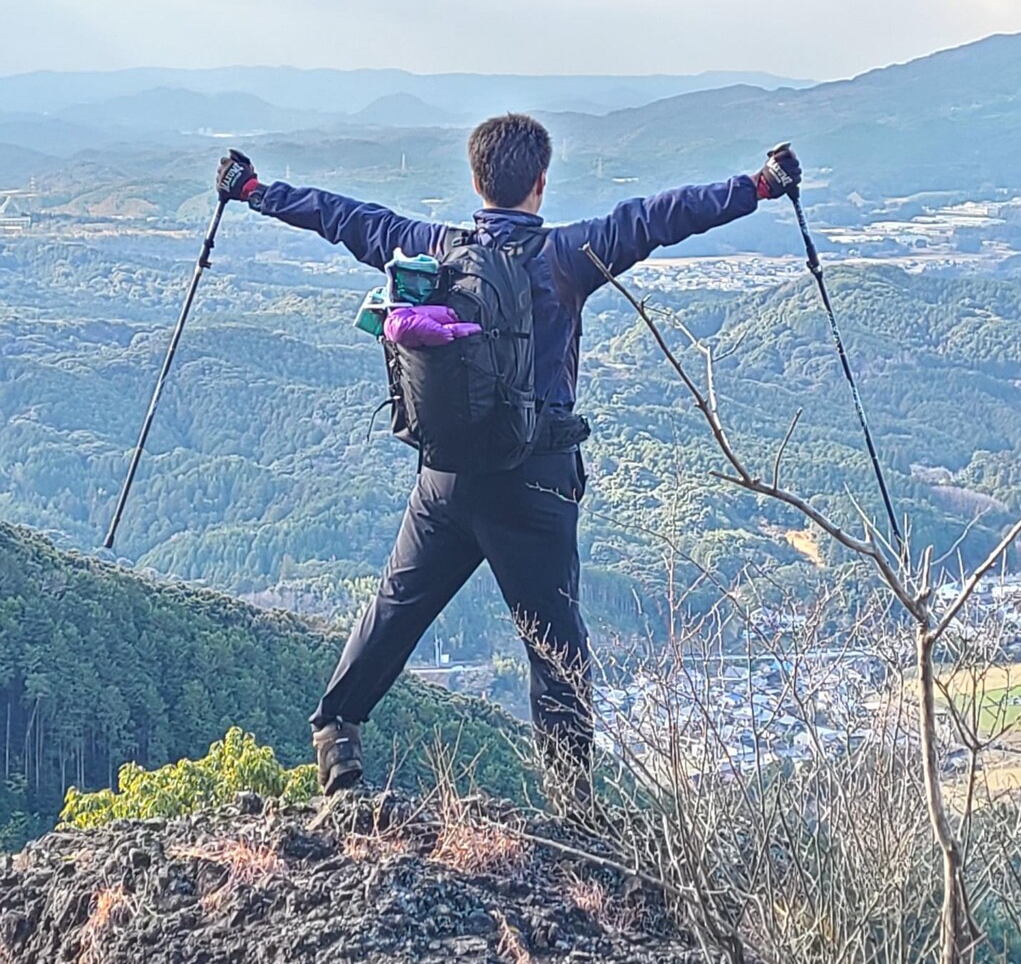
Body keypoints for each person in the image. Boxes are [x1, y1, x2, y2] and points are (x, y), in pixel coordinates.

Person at [215, 118, 800, 807]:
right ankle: (571, 802)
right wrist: (760, 185)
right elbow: (663, 216)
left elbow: (345, 218)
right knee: (556, 645)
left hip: (446, 477)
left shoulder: (431, 249)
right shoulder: (570, 256)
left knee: (397, 607)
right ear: (541, 183)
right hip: (535, 485)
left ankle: (338, 732)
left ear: (475, 181)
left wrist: (253, 190)